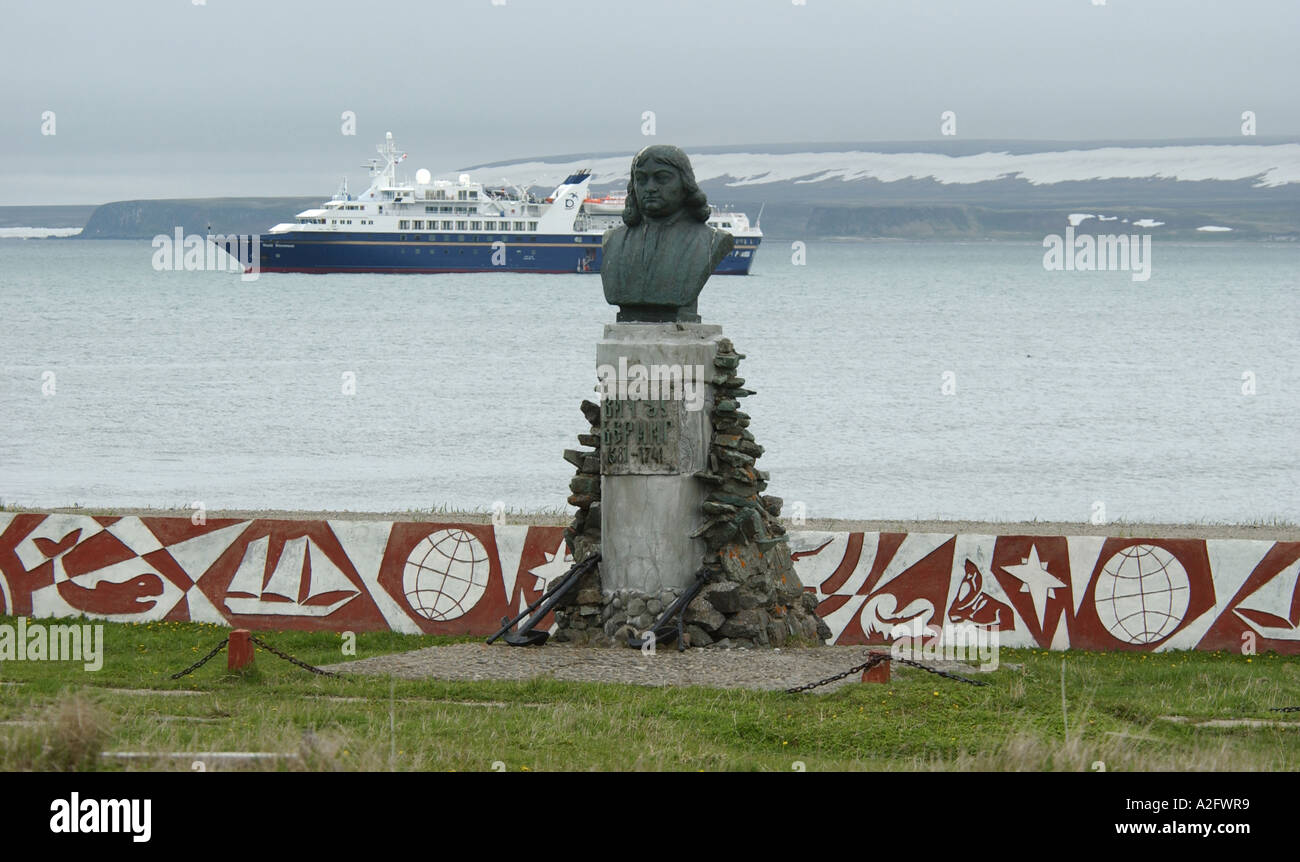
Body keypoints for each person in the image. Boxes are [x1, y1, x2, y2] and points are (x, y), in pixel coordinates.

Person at [600, 145, 733, 322]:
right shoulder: (613, 240)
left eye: (662, 178)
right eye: (641, 179)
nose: (650, 188)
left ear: (685, 184)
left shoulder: (710, 240)